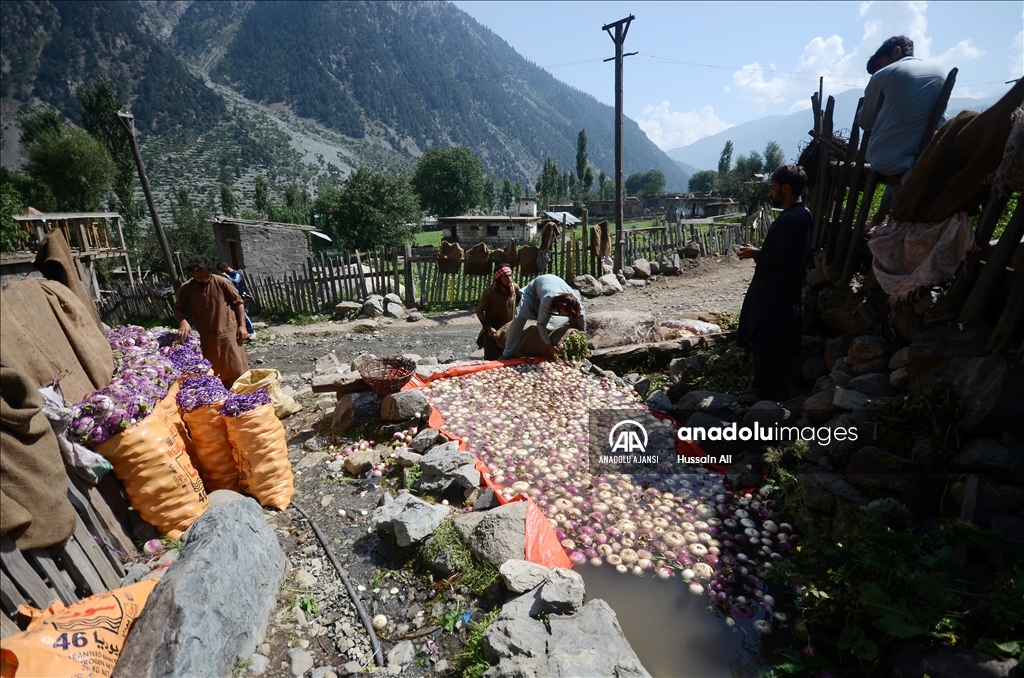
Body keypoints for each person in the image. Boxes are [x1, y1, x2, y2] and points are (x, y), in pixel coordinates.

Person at [735, 165, 812, 404]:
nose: (770, 193)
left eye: (773, 188)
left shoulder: (789, 220)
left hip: (773, 295)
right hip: (783, 292)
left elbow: (780, 260)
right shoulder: (803, 215)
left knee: (767, 343)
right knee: (763, 341)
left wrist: (755, 254)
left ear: (785, 188)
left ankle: (765, 393)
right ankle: (759, 384)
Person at [859, 35, 947, 226]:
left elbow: (865, 122)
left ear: (896, 51)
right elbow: (939, 119)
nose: (879, 69)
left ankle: (895, 223)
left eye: (880, 63)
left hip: (889, 160)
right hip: (926, 156)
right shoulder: (940, 72)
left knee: (889, 167)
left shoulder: (882, 75)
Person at [175, 255, 250, 388]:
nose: (203, 280)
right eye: (199, 277)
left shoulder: (222, 282)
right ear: (193, 274)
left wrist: (243, 326)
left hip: (228, 332)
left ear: (211, 272)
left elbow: (238, 303)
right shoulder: (186, 288)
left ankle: (242, 393)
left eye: (206, 277)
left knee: (236, 367)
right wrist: (183, 323)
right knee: (214, 371)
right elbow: (178, 309)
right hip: (206, 336)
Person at [500, 274, 586, 360]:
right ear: (561, 306)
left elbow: (581, 317)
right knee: (519, 319)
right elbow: (540, 324)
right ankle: (507, 354)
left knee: (564, 321)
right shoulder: (547, 299)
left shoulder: (575, 302)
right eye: (561, 312)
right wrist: (549, 346)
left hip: (553, 284)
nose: (561, 315)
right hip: (532, 292)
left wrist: (583, 336)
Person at [476, 265, 520, 360]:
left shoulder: (515, 289)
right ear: (499, 279)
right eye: (506, 276)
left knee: (511, 362)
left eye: (510, 275)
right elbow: (479, 311)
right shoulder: (490, 293)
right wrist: (488, 328)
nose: (509, 279)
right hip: (493, 334)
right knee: (493, 363)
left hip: (509, 332)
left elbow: (522, 303)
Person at [218, 262, 255, 337]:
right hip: (232, 297)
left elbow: (235, 281)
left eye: (222, 270)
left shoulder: (236, 274)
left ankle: (252, 331)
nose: (222, 272)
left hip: (240, 296)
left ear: (226, 267)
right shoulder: (227, 275)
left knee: (243, 314)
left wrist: (226, 276)